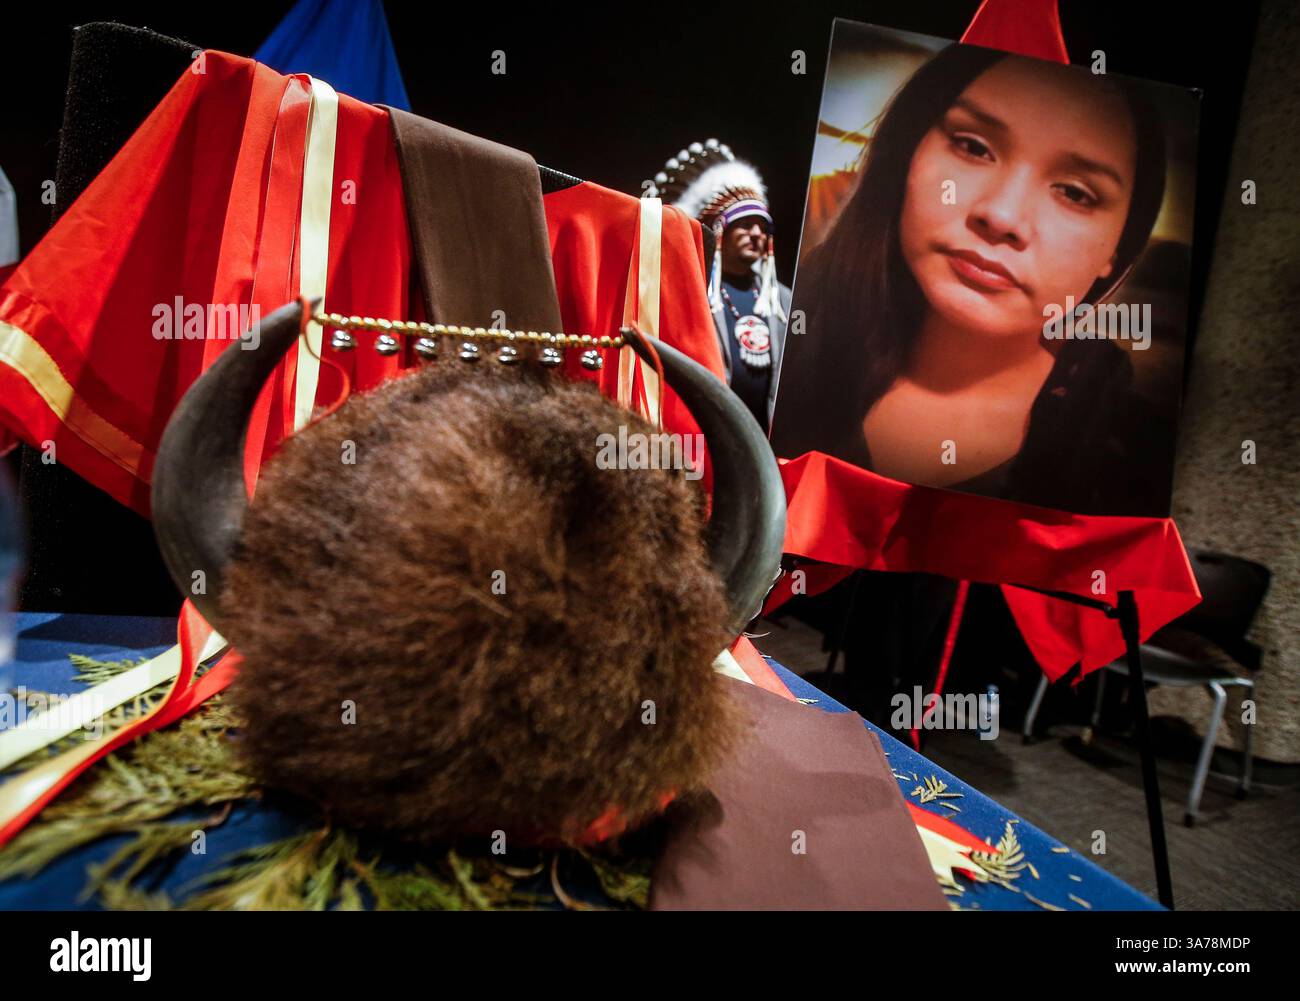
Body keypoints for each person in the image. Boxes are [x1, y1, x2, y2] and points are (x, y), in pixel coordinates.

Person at [771, 45, 1175, 517]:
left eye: (1074, 193)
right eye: (973, 147)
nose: (1001, 216)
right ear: (906, 157)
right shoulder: (774, 340)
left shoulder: (1131, 461)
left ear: (1116, 251)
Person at [647, 140, 791, 431]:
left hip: (767, 437)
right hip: (704, 431)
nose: (756, 233)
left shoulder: (782, 300)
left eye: (763, 226)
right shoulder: (694, 291)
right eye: (745, 224)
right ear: (719, 229)